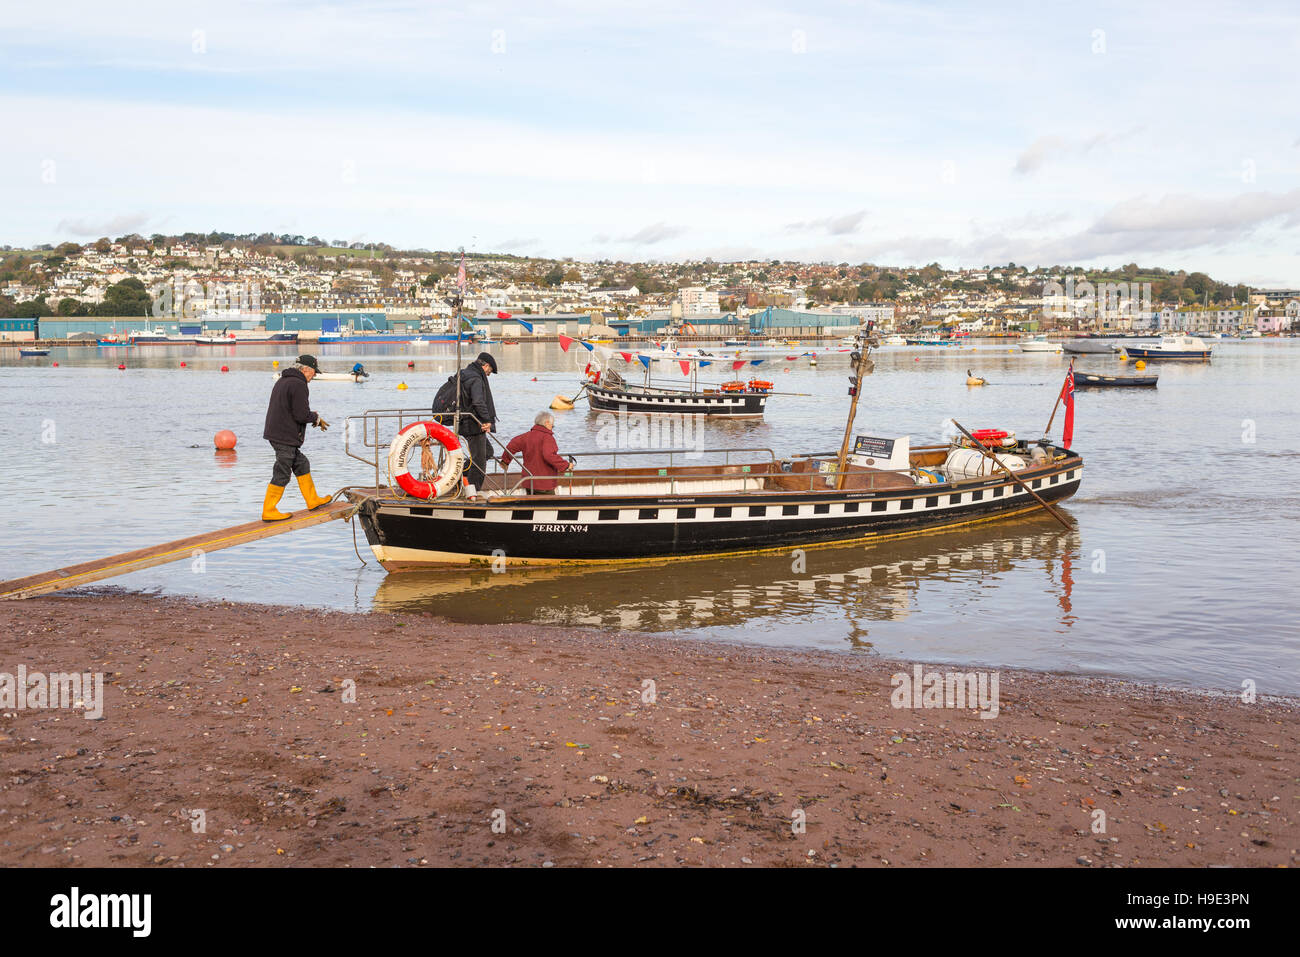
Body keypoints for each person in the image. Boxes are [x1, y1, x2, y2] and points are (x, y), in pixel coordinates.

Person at [261, 354, 332, 521]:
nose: (314, 376)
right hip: (284, 435)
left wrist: (313, 417)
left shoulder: (284, 380)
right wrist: (315, 417)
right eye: (314, 372)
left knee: (301, 464)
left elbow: (291, 409)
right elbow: (300, 415)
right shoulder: (299, 384)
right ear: (305, 369)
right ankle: (269, 510)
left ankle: (312, 500)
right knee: (282, 472)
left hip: (277, 432)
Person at [432, 352, 498, 490]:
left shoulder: (464, 373)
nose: (488, 375)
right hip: (473, 424)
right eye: (489, 372)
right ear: (485, 366)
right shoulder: (476, 378)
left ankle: (456, 473)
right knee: (479, 461)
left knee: (488, 451)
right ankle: (473, 491)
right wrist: (487, 420)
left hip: (463, 421)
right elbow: (478, 402)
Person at [500, 411, 573, 494]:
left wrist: (505, 461)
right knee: (550, 506)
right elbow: (549, 455)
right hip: (543, 483)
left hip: (528, 481)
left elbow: (511, 445)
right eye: (553, 425)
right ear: (547, 423)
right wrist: (566, 465)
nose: (552, 427)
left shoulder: (526, 436)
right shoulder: (547, 437)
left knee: (532, 505)